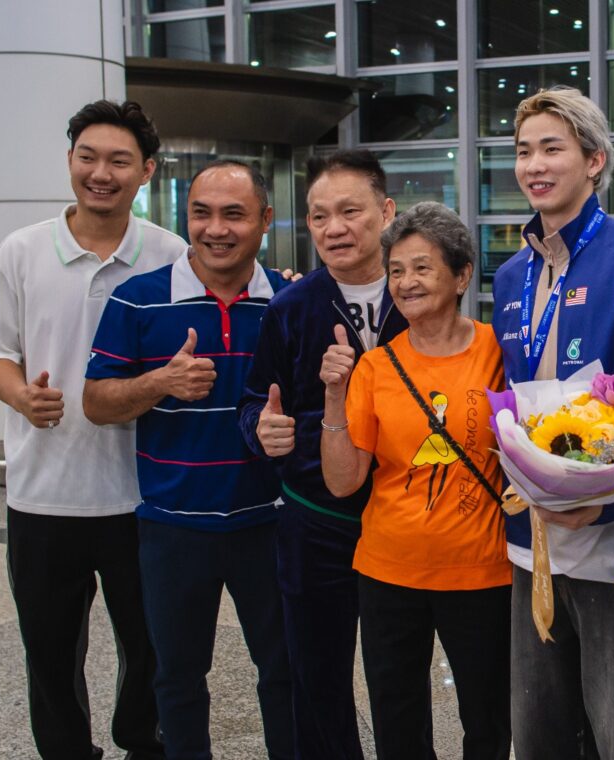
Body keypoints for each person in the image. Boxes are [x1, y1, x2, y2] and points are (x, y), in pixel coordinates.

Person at [0, 99, 184, 760]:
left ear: (145, 170)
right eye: (87, 157)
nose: (101, 172)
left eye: (119, 160)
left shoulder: (169, 256)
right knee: (50, 655)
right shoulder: (21, 252)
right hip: (42, 499)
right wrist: (21, 399)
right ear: (70, 162)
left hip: (143, 497)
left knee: (150, 647)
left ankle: (138, 741)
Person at [491, 85, 614, 760]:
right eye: (523, 151)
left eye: (552, 148)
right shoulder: (511, 273)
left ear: (595, 160)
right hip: (531, 540)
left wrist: (603, 498)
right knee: (539, 733)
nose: (534, 165)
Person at [83, 161, 294, 759]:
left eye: (234, 214)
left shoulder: (287, 299)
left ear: (264, 220)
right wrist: (160, 383)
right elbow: (96, 402)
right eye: (201, 213)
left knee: (284, 672)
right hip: (172, 527)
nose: (216, 229)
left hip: (270, 523)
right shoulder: (139, 300)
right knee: (176, 679)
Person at [321, 201, 511, 760]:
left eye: (422, 268)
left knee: (488, 719)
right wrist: (334, 395)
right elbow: (343, 480)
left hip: (484, 573)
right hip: (388, 572)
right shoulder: (375, 367)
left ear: (461, 275)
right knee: (398, 723)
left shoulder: (499, 352)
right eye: (397, 271)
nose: (406, 283)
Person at [238, 150, 407, 760]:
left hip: (401, 516)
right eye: (318, 216)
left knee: (397, 677)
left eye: (350, 211)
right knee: (317, 675)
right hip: (314, 519)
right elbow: (256, 401)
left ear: (386, 212)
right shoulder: (291, 307)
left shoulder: (420, 294)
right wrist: (263, 429)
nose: (334, 228)